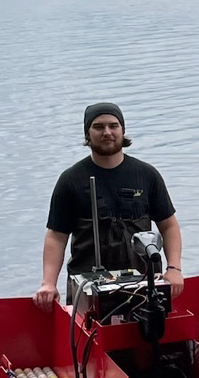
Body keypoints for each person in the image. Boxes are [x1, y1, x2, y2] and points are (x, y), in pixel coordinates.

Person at [35, 102, 184, 309]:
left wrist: (174, 269)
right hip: (87, 290)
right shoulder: (71, 180)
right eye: (98, 127)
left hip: (143, 284)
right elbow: (56, 236)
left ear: (122, 130)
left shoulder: (147, 175)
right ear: (87, 133)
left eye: (113, 126)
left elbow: (168, 226)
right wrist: (48, 284)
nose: (107, 132)